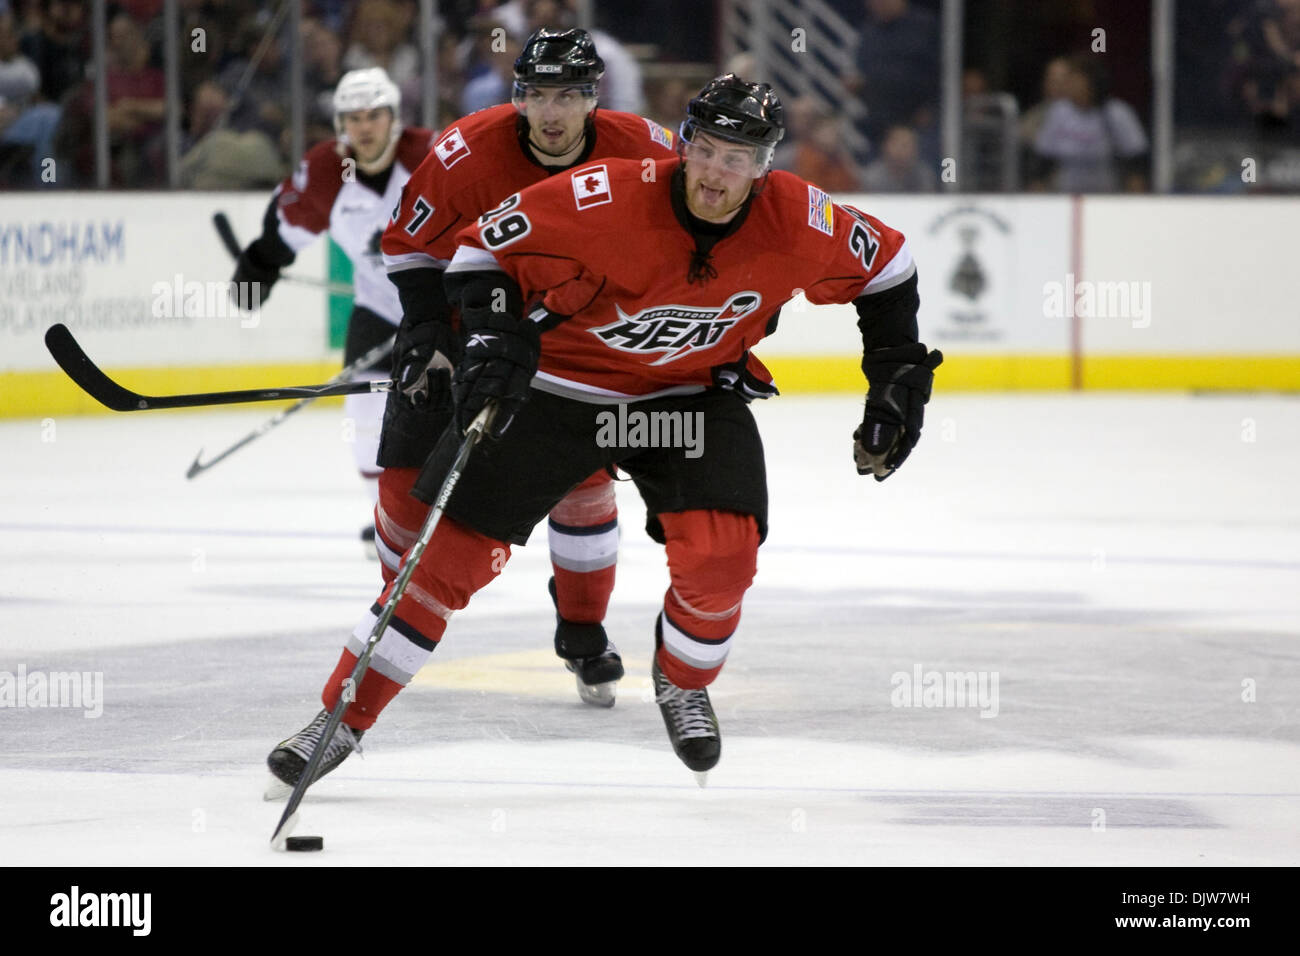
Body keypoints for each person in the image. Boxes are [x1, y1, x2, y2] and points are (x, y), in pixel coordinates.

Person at [266, 73, 941, 789]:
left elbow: (889, 264)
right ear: (683, 144)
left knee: (723, 559)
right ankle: (340, 717)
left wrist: (895, 370)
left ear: (765, 165)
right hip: (560, 394)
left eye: (737, 159)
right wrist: (495, 337)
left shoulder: (802, 219)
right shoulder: (608, 195)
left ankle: (681, 681)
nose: (716, 173)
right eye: (706, 150)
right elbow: (478, 250)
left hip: (685, 400)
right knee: (443, 566)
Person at [370, 28, 680, 712]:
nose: (552, 112)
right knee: (400, 487)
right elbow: (409, 245)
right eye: (536, 94)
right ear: (517, 98)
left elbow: (697, 237)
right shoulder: (465, 152)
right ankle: (393, 612)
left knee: (585, 492)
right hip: (465, 330)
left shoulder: (651, 153)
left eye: (568, 95)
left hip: (574, 348)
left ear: (592, 100)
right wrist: (426, 329)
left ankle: (581, 632)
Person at [230, 68, 436, 538]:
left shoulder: (430, 157)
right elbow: (286, 227)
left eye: (375, 115)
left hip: (442, 308)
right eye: (353, 117)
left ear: (394, 117)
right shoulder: (327, 172)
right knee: (362, 413)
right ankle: (385, 519)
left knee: (445, 411)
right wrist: (263, 262)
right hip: (380, 307)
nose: (364, 127)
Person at [1032, 55, 1148, 193]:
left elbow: (1135, 162)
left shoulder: (1116, 113)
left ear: (1091, 83)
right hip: (1065, 195)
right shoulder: (1059, 113)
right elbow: (1043, 163)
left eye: (1075, 81)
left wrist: (1135, 200)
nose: (1069, 86)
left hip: (1109, 196)